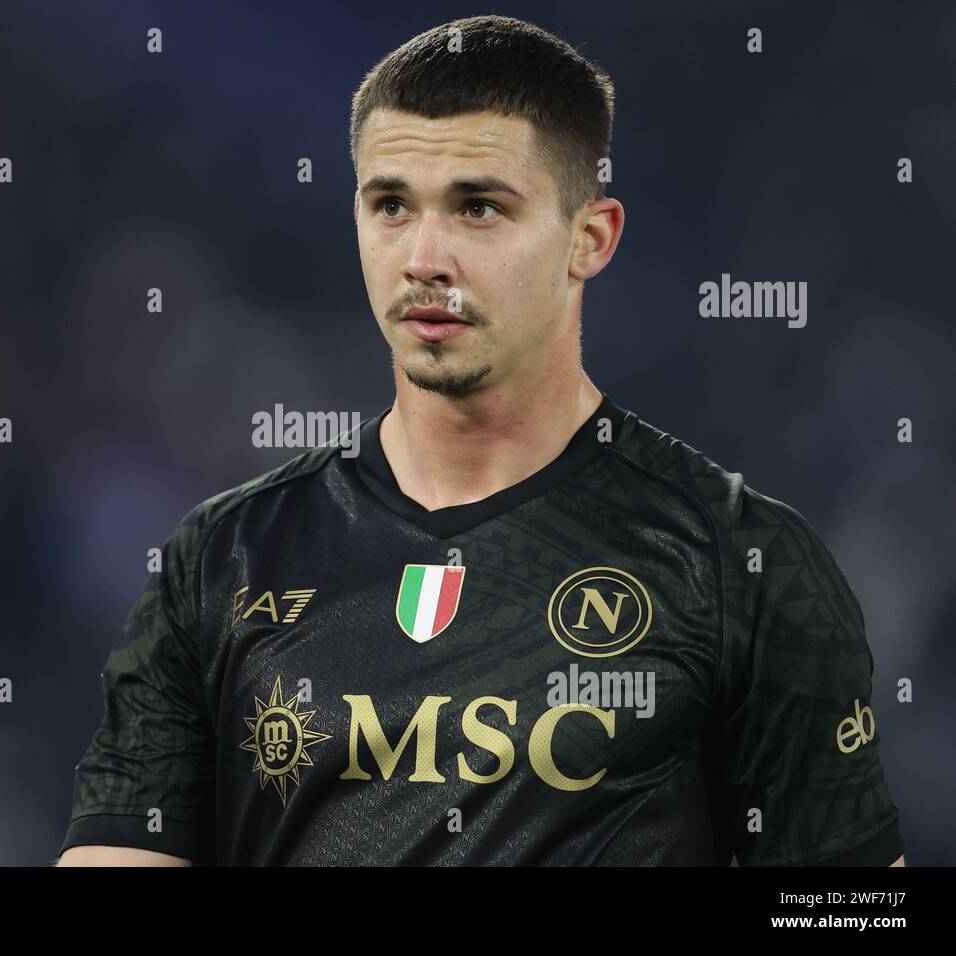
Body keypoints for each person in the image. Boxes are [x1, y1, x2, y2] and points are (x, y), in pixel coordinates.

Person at [57, 14, 904, 866]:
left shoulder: (744, 563)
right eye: (391, 204)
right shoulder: (223, 557)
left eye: (479, 208)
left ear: (591, 238)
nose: (424, 257)